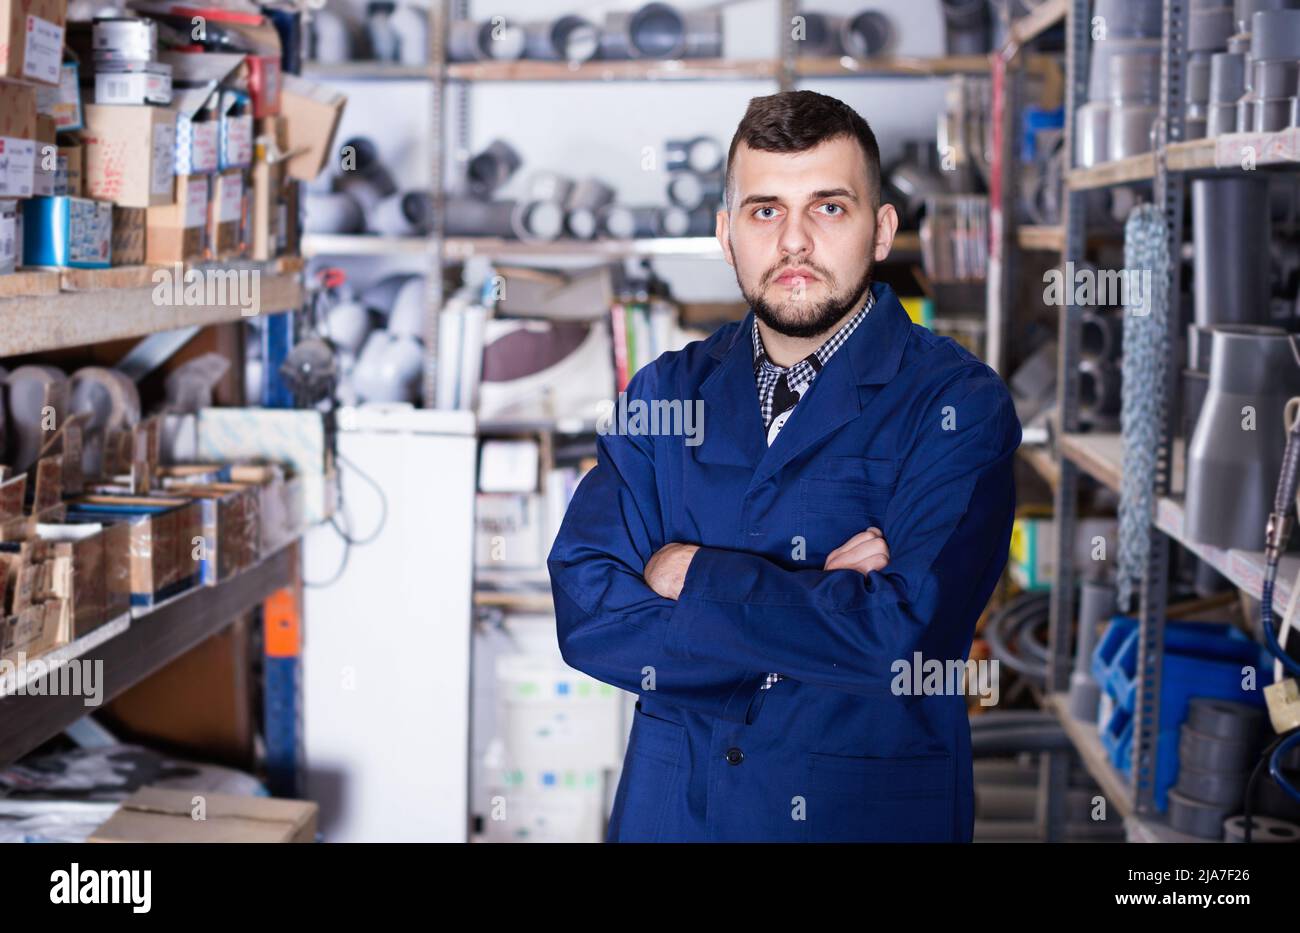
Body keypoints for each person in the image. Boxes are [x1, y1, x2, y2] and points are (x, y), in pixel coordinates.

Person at [547, 89, 1021, 842]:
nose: (793, 241)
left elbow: (900, 638)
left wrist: (691, 575)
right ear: (726, 234)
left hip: (858, 816)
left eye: (828, 208)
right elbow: (589, 612)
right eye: (765, 210)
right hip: (677, 813)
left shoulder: (957, 404)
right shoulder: (668, 391)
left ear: (880, 230)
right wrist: (819, 609)